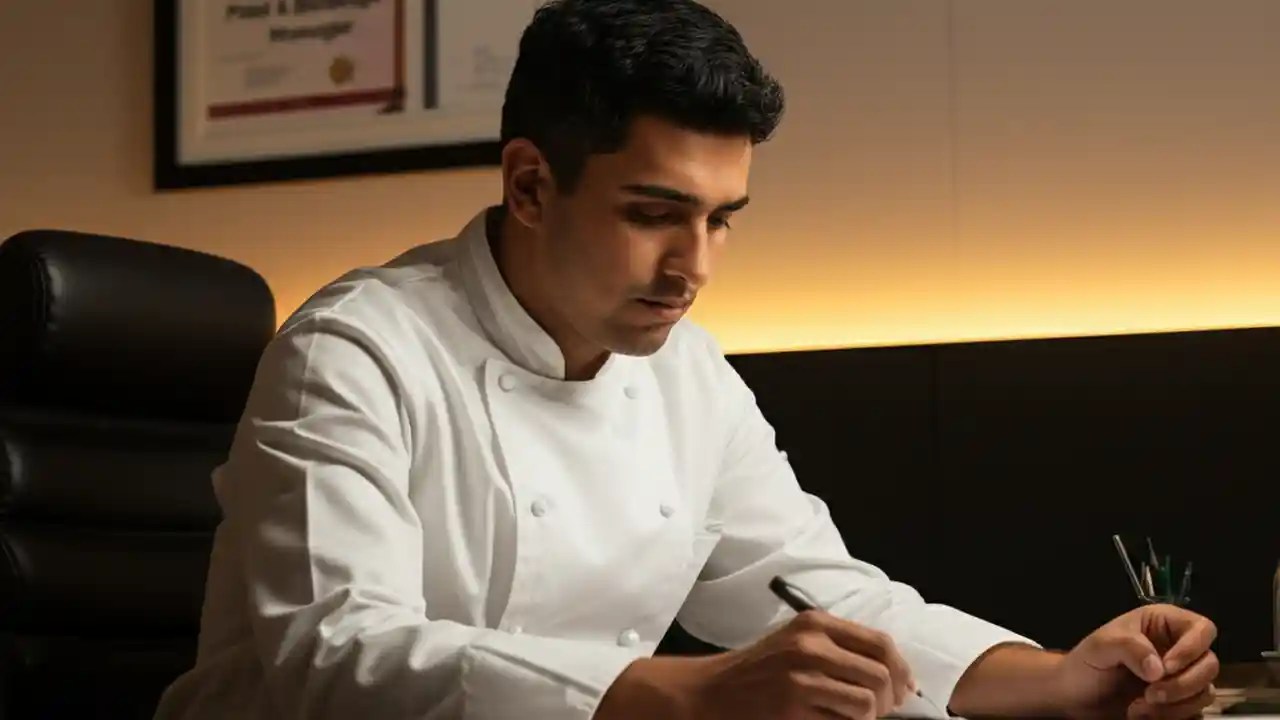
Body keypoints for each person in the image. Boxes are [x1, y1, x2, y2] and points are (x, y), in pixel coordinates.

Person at [154, 1, 1220, 718]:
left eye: (721, 219)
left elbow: (819, 597)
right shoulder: (354, 351)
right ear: (529, 185)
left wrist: (1050, 676)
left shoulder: (683, 369)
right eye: (655, 214)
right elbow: (335, 656)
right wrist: (686, 695)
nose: (693, 264)